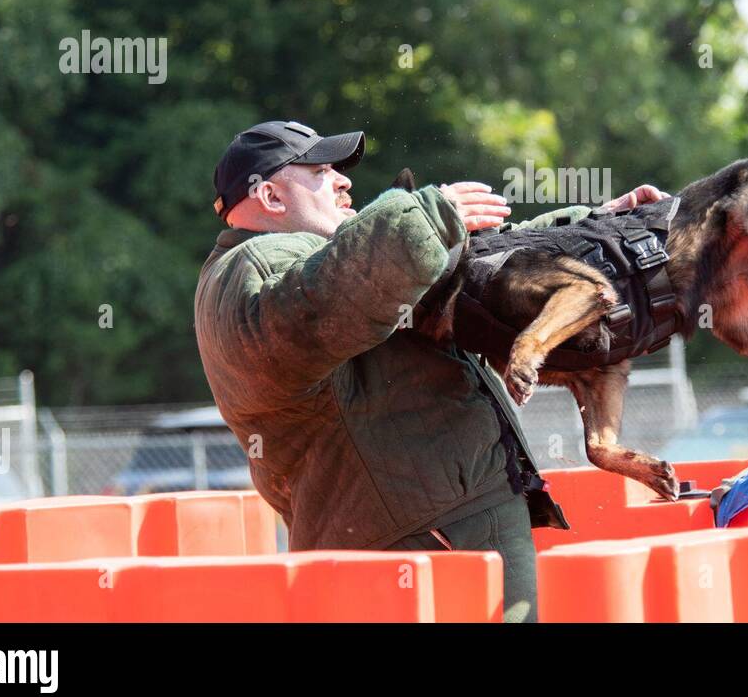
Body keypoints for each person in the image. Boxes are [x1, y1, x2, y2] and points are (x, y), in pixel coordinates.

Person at [193, 119, 665, 621]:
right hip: (426, 540)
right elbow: (321, 303)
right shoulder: (258, 261)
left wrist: (592, 223)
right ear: (269, 195)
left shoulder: (310, 259)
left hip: (426, 533)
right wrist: (429, 216)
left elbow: (483, 268)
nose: (343, 181)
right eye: (321, 169)